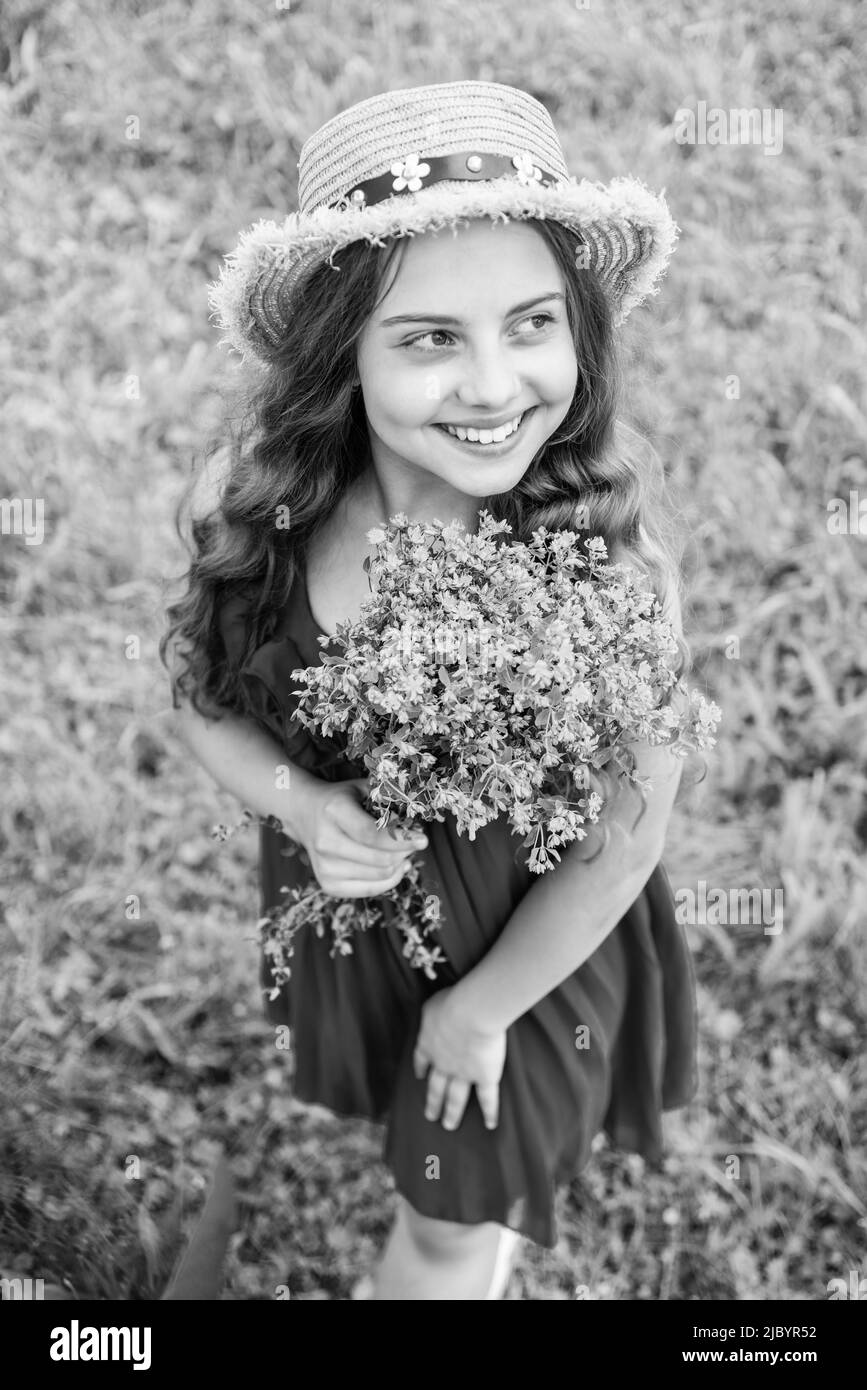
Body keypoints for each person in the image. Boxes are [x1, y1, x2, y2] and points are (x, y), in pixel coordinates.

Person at [161, 80, 699, 1300]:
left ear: (582, 328)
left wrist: (481, 1009)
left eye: (533, 323)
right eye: (430, 339)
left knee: (448, 1225)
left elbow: (623, 842)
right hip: (359, 919)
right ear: (339, 353)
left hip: (530, 947)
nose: (496, 385)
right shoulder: (257, 512)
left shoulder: (607, 561)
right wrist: (300, 804)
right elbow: (199, 700)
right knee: (408, 1135)